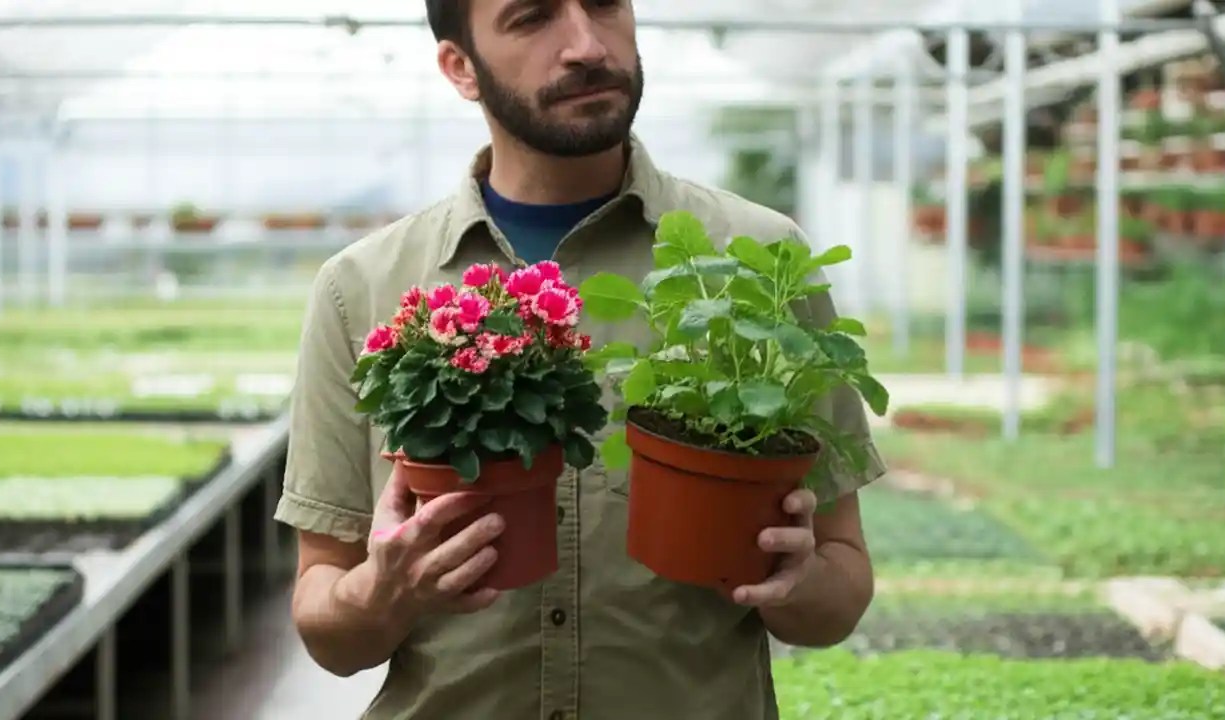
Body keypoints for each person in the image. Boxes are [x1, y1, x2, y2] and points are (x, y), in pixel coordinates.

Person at [276, 1, 887, 718]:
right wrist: (381, 593)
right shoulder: (364, 289)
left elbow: (841, 587)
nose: (586, 46)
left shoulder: (756, 262)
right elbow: (328, 624)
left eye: (604, 4)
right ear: (459, 67)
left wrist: (798, 579)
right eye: (532, 18)